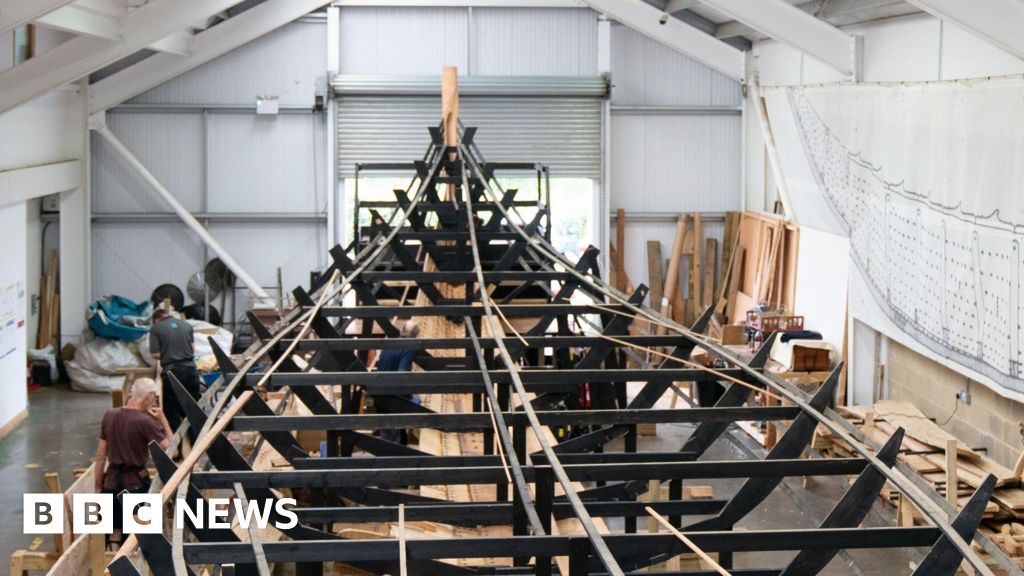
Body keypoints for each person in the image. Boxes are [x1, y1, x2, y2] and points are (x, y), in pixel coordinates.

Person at [93, 378, 173, 548]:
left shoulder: (110, 415)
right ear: (149, 396)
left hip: (111, 485)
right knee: (141, 537)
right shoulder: (144, 421)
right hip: (136, 487)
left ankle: (111, 558)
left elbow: (100, 457)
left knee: (114, 534)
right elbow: (171, 449)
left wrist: (98, 487)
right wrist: (163, 420)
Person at [149, 309, 198, 431]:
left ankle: (176, 446)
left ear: (156, 319)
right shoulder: (187, 325)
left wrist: (168, 352)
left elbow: (155, 354)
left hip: (172, 373)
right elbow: (192, 349)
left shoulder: (156, 328)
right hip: (191, 371)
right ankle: (196, 444)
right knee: (192, 409)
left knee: (172, 411)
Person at [374, 321, 420, 444]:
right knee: (395, 440)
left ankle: (388, 456)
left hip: (378, 395)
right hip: (392, 398)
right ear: (415, 336)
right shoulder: (408, 348)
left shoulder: (390, 343)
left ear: (401, 331)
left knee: (387, 435)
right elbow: (401, 374)